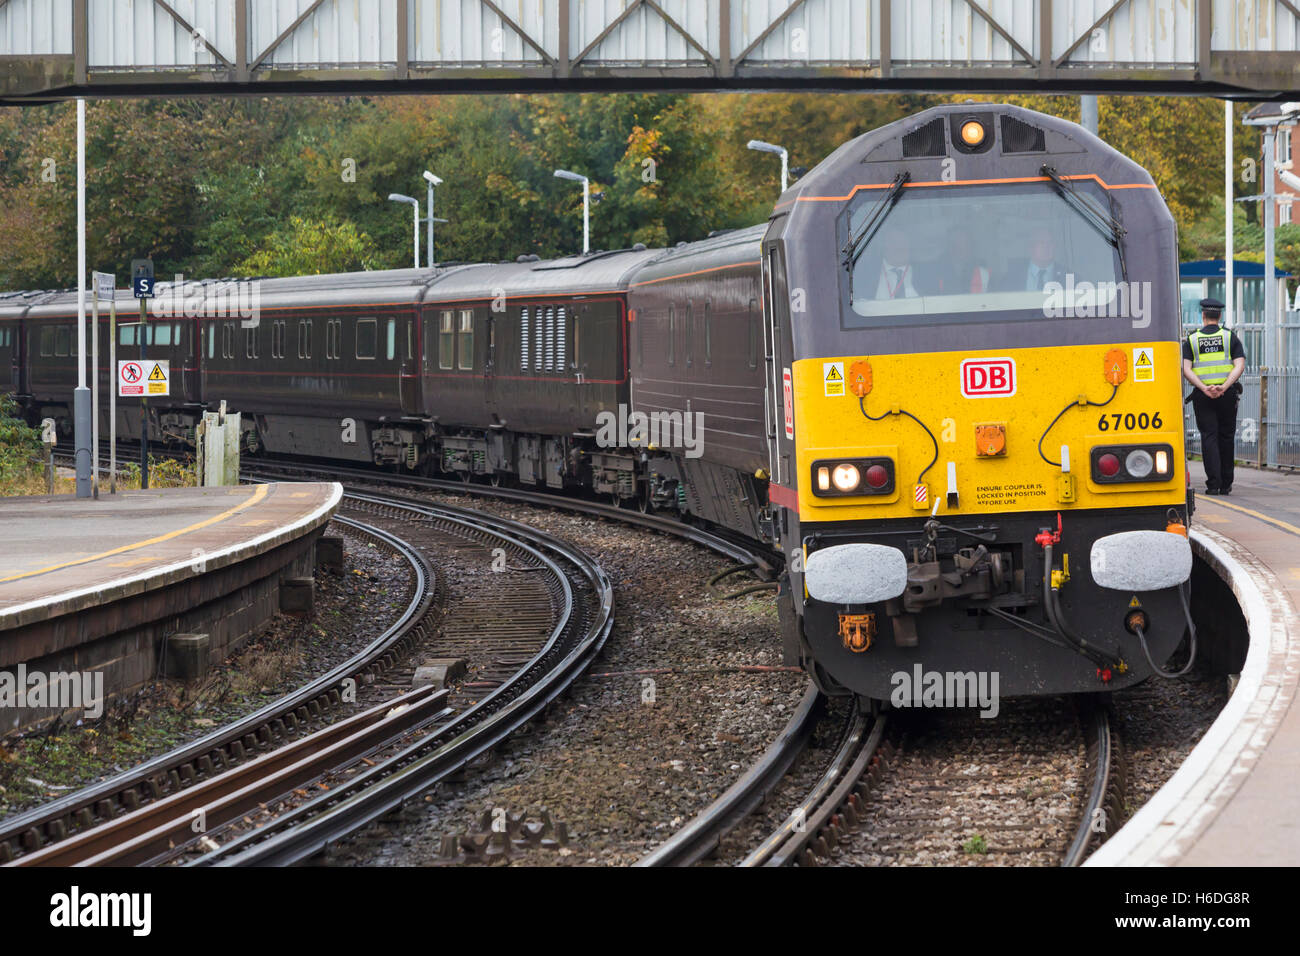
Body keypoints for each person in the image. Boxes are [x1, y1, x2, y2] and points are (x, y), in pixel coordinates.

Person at [1182, 297, 1246, 495]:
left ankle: (1213, 485)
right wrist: (1224, 386)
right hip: (1227, 395)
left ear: (1203, 315)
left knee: (1209, 437)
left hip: (1203, 397)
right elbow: (1240, 365)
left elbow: (1186, 369)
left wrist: (1204, 388)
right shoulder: (1230, 337)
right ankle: (1226, 484)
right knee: (1226, 437)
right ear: (1219, 316)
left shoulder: (1192, 339)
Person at [997, 224, 1063, 291]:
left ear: (1055, 247)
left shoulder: (1067, 275)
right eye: (1041, 242)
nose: (1046, 247)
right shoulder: (1012, 276)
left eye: (1050, 242)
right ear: (1030, 247)